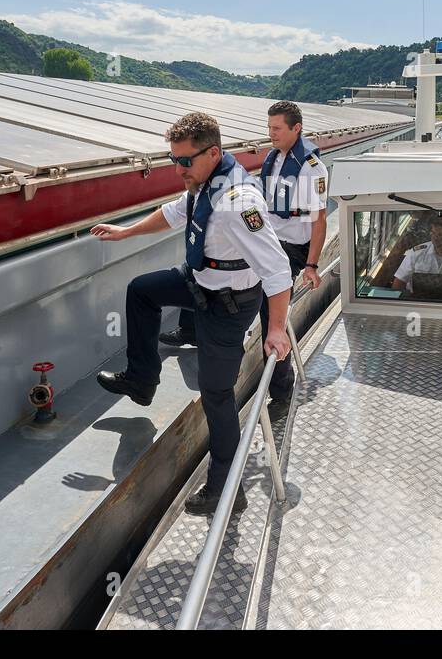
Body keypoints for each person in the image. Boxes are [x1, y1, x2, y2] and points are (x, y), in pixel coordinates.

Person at [91, 112, 293, 517]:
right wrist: (125, 232)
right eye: (172, 160)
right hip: (200, 281)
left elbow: (277, 270)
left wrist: (275, 329)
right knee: (142, 292)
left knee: (216, 395)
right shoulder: (203, 183)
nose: (178, 169)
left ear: (213, 152)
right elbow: (174, 213)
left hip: (229, 304)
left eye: (185, 161)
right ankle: (142, 380)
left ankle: (226, 489)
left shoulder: (239, 203)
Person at [161, 101, 328, 409]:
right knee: (200, 266)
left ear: (296, 129)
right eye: (269, 128)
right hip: (266, 237)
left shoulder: (311, 168)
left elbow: (319, 220)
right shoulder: (273, 160)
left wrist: (312, 264)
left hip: (291, 248)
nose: (271, 134)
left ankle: (281, 390)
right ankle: (193, 330)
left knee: (269, 313)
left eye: (277, 129)